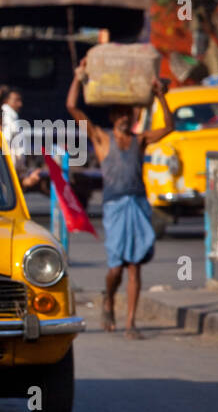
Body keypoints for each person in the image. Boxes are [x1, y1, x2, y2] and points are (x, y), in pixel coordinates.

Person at [67, 61, 174, 339]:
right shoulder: (101, 138)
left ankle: (130, 324)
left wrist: (160, 95)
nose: (125, 119)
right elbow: (72, 109)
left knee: (135, 266)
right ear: (114, 117)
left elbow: (170, 127)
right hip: (114, 207)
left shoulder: (140, 140)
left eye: (129, 115)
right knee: (116, 268)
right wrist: (78, 78)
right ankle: (109, 299)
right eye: (121, 115)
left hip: (137, 204)